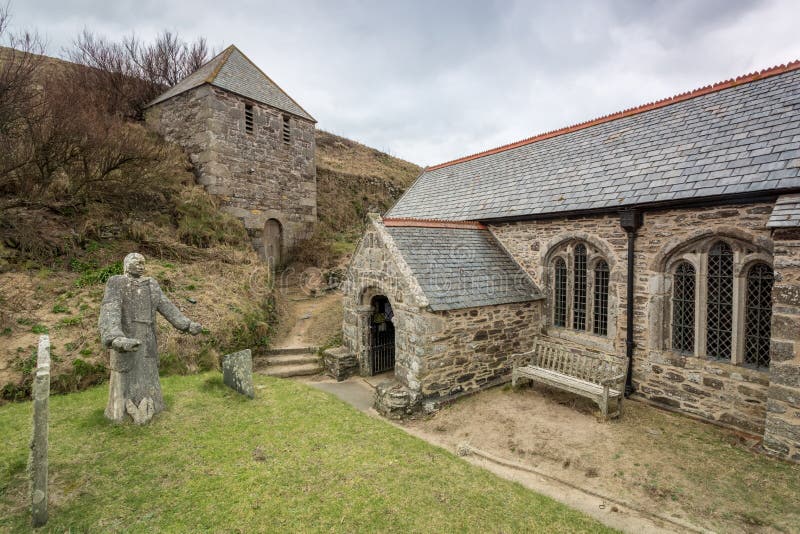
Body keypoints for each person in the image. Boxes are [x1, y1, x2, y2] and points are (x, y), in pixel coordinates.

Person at [98, 253, 202, 423]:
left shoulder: (151, 284)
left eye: (143, 263)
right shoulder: (117, 282)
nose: (141, 265)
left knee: (148, 372)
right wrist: (115, 338)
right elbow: (110, 309)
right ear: (126, 264)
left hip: (147, 339)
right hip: (126, 337)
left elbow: (167, 306)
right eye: (136, 262)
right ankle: (121, 412)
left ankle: (151, 406)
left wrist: (187, 325)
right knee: (125, 375)